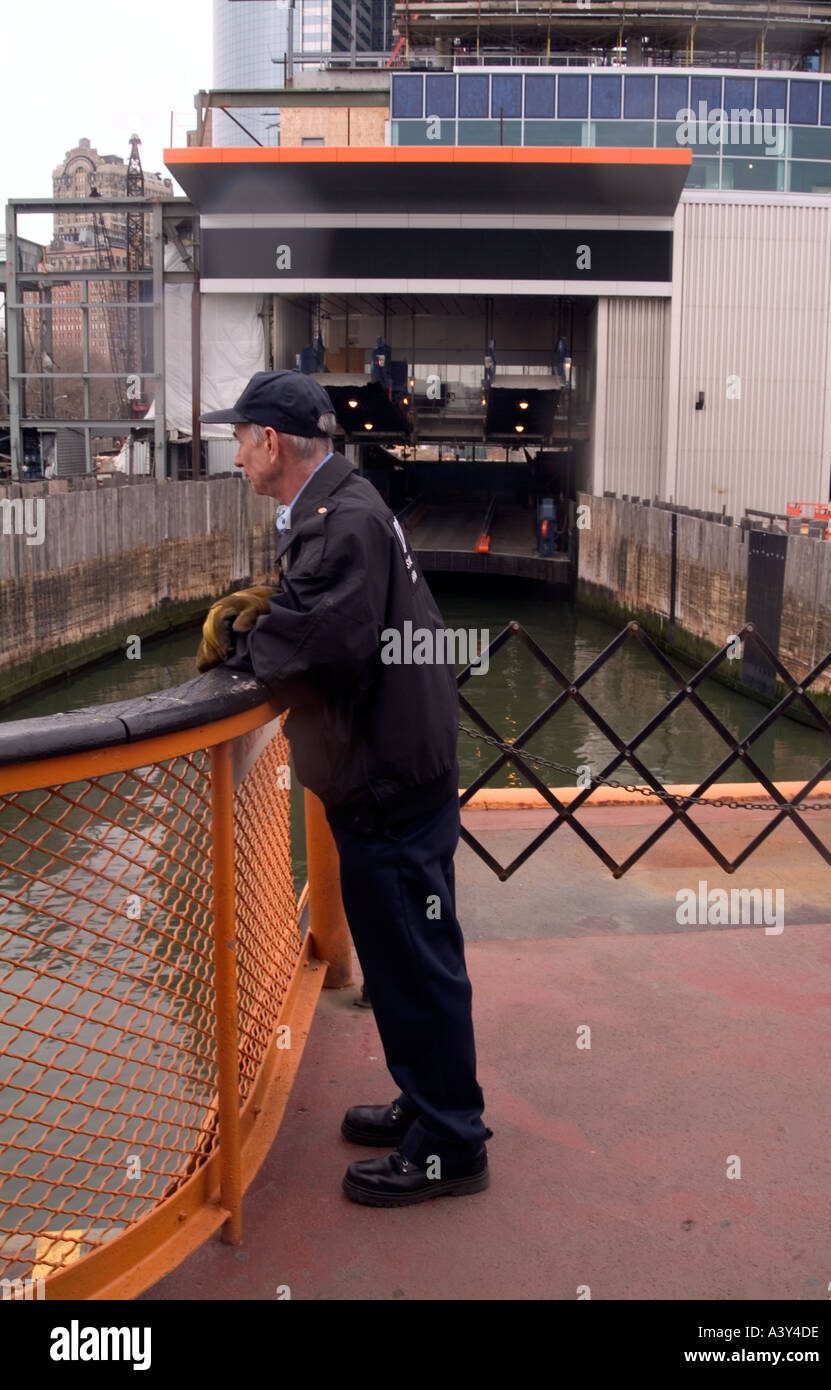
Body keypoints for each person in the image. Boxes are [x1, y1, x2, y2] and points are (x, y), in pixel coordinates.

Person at [198, 370, 491, 1207]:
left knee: (415, 959)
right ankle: (427, 1101)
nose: (236, 450)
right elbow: (335, 620)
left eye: (240, 435)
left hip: (387, 779)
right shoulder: (347, 502)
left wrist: (247, 643)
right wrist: (275, 612)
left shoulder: (338, 521)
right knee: (405, 960)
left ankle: (451, 1144)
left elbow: (329, 643)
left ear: (273, 444)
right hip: (399, 768)